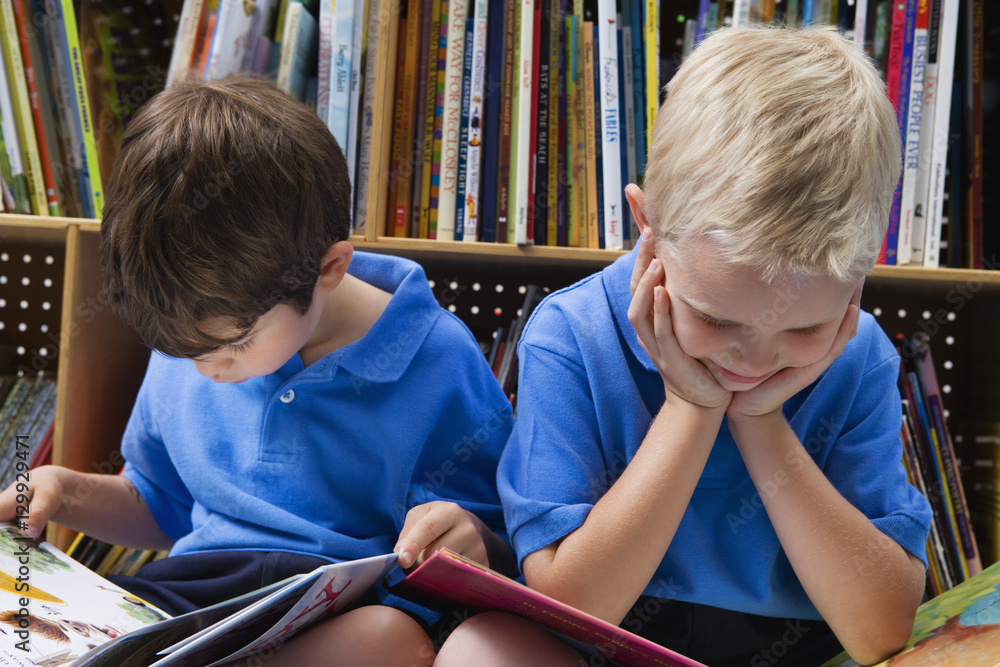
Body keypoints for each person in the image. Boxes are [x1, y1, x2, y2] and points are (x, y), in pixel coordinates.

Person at [434, 25, 933, 667]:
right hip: (607, 642)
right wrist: (690, 409)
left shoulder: (860, 355)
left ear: (859, 279)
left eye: (802, 328)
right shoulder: (572, 333)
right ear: (648, 227)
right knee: (481, 652)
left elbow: (881, 629)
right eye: (716, 320)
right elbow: (572, 604)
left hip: (800, 649)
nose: (752, 361)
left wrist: (760, 421)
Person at [0, 75, 514, 667]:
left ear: (328, 269)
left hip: (332, 608)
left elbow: (495, 554)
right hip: (188, 602)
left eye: (233, 345)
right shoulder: (193, 334)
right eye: (181, 352)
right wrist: (65, 490)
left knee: (387, 640)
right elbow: (159, 504)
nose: (207, 371)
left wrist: (470, 537)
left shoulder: (440, 360)